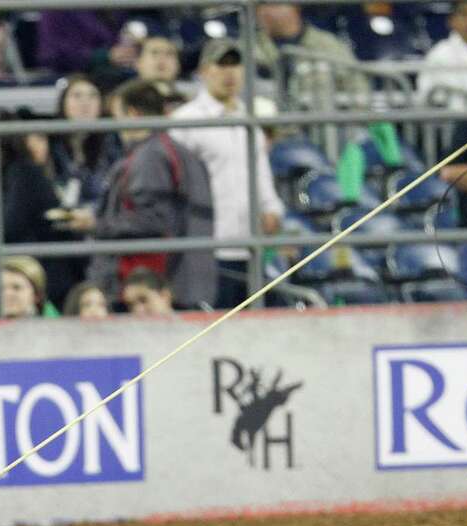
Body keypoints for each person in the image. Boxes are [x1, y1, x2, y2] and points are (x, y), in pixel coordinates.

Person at [171, 39, 284, 309]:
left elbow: (261, 174)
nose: (229, 72)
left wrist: (272, 209)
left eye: (235, 65)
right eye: (221, 65)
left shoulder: (250, 120)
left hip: (249, 244)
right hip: (209, 246)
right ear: (204, 71)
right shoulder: (185, 121)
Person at [94, 79, 216, 310]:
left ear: (132, 113)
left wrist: (96, 224)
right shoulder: (173, 150)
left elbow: (154, 220)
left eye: (117, 115)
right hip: (184, 278)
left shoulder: (150, 156)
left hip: (153, 280)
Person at [2, 110, 87, 310]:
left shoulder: (24, 172)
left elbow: (10, 227)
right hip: (41, 267)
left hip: (46, 272)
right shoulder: (15, 173)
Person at [253, 3, 370, 108]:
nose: (265, 11)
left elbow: (358, 87)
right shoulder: (248, 46)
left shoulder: (328, 44)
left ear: (295, 7)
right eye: (260, 6)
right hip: (269, 127)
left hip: (324, 125)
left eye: (273, 4)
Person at [50, 75, 122, 210]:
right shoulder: (51, 143)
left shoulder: (113, 141)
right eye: (77, 96)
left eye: (92, 96)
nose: (85, 102)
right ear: (63, 103)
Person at [415, 0, 467, 110]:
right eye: (465, 15)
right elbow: (434, 100)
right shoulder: (440, 53)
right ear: (451, 21)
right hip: (453, 120)